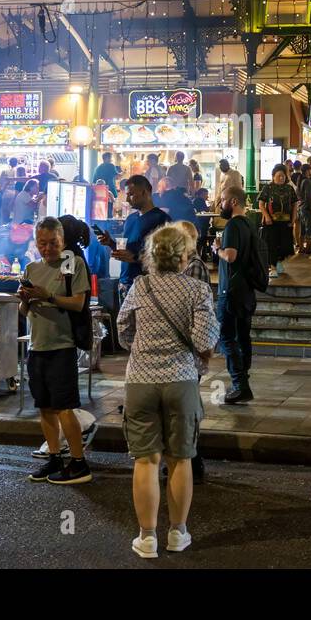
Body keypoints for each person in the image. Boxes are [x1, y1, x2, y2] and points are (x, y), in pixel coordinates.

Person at [117, 224, 218, 558]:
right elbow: (205, 342)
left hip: (140, 381)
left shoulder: (139, 286)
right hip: (181, 379)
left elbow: (122, 330)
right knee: (180, 459)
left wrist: (142, 349)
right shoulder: (197, 290)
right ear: (184, 255)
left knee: (145, 460)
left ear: (151, 255)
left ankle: (147, 538)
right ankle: (177, 533)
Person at [20, 217, 94, 485]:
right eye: (42, 243)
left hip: (62, 345)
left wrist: (48, 296)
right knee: (45, 408)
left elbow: (78, 303)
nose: (48, 248)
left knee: (65, 407)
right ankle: (54, 457)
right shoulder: (31, 267)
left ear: (63, 241)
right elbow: (24, 311)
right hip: (37, 344)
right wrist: (26, 299)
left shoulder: (71, 263)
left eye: (53, 243)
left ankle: (78, 462)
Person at [95, 175, 169, 302]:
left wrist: (136, 258)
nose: (128, 199)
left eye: (131, 194)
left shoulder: (161, 219)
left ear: (144, 192)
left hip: (146, 285)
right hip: (124, 282)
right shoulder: (130, 219)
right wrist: (111, 243)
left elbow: (165, 257)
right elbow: (127, 248)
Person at [216, 188, 259, 403]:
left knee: (227, 337)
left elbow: (231, 256)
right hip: (246, 290)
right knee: (243, 336)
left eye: (223, 200)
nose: (220, 205)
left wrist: (218, 250)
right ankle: (244, 379)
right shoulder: (250, 224)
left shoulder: (232, 225)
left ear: (233, 201)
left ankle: (239, 384)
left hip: (230, 291)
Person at [296, 161, 311, 255]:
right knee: (310, 228)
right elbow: (309, 196)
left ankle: (301, 247)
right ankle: (308, 248)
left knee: (303, 228)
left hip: (301, 207)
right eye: (310, 170)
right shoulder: (307, 181)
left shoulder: (300, 180)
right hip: (307, 208)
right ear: (307, 171)